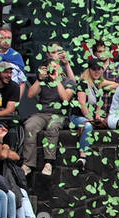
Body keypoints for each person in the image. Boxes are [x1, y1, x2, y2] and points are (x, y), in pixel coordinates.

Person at [23, 44, 76, 177]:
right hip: (41, 113)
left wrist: (56, 79)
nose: (53, 70)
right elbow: (30, 95)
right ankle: (28, 164)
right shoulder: (43, 80)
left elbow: (65, 99)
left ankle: (49, 162)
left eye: (55, 67)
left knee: (52, 127)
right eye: (50, 67)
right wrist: (40, 79)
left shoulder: (67, 81)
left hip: (58, 114)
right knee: (29, 126)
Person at [0, 61, 23, 154]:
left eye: (10, 72)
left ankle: (10, 151)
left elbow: (10, 109)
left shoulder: (14, 87)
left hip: (7, 119)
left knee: (12, 128)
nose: (9, 75)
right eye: (6, 72)